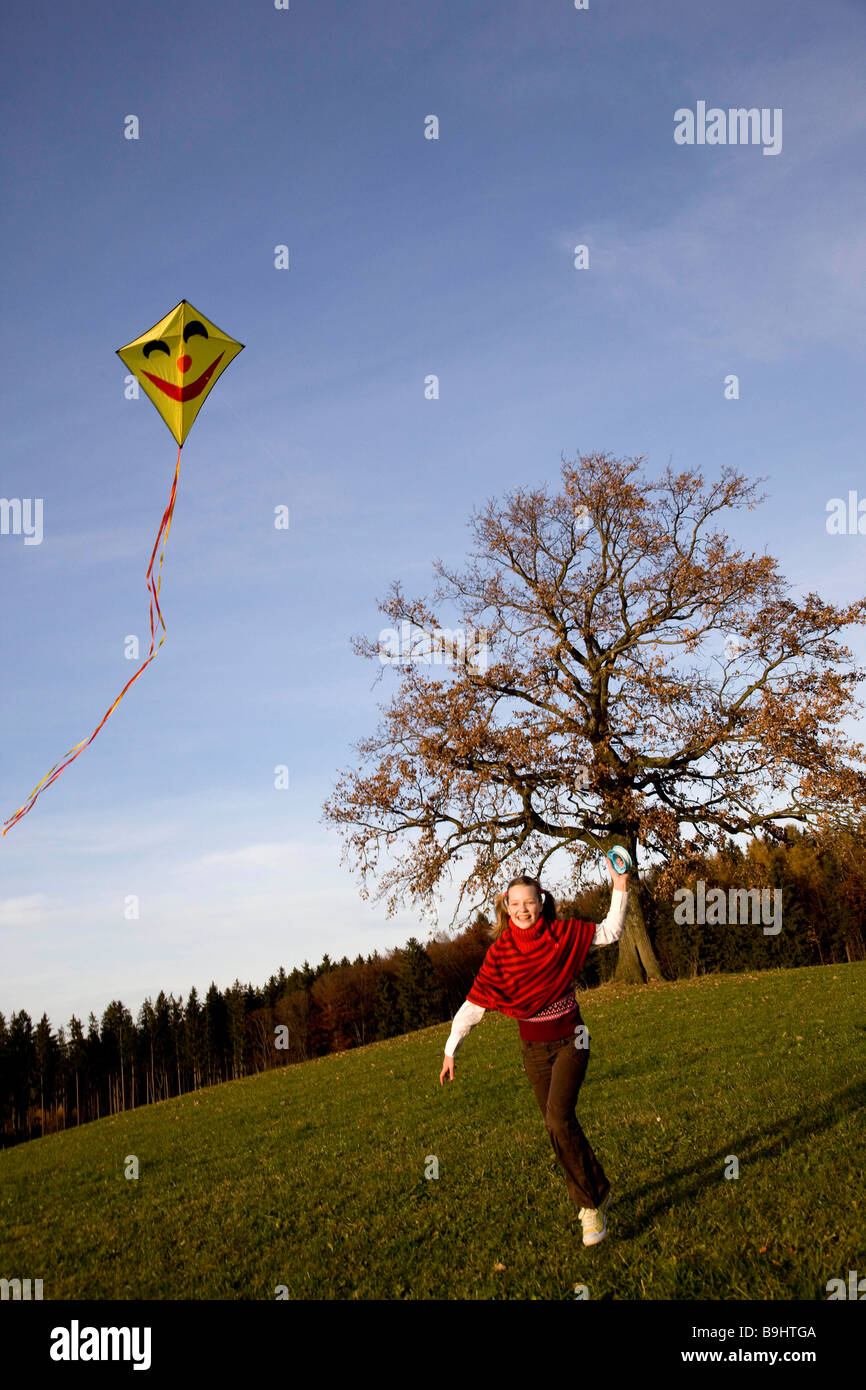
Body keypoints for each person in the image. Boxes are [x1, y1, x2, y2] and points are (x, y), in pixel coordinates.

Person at [439, 858, 629, 1246]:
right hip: (533, 1050)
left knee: (559, 1120)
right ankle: (596, 1194)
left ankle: (592, 1207)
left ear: (541, 903)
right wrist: (450, 1050)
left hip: (572, 1039)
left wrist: (620, 884)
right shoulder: (500, 955)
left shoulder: (563, 935)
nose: (523, 910)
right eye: (516, 904)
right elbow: (475, 1004)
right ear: (506, 908)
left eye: (530, 903)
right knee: (555, 1127)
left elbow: (610, 932)